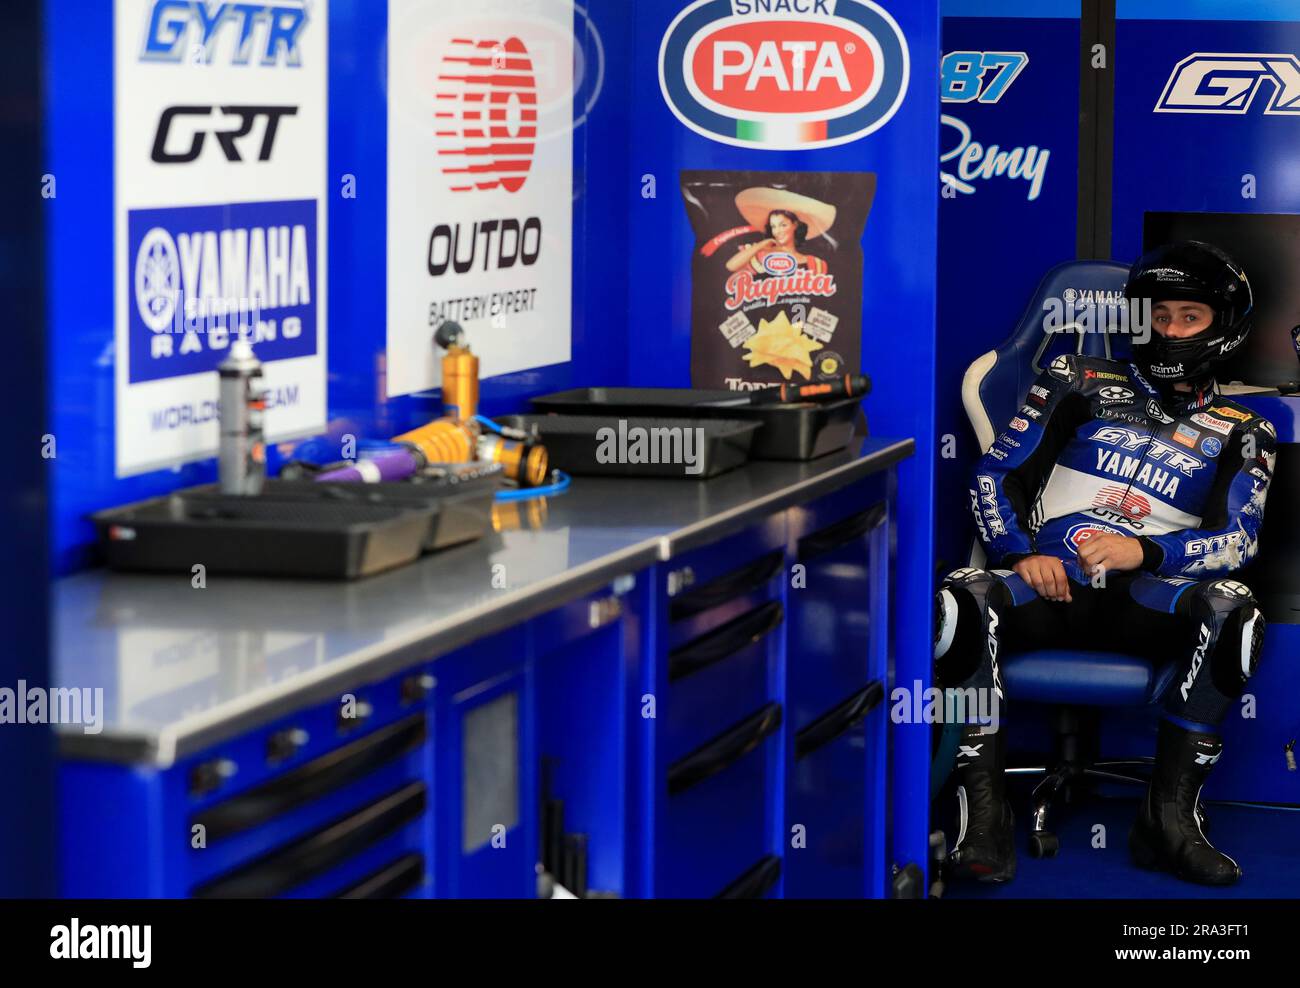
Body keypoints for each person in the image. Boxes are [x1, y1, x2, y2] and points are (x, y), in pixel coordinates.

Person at [936, 241, 1276, 887]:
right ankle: (981, 821)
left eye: (1189, 317)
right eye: (1159, 315)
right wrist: (1021, 552)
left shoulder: (1242, 429)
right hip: (1050, 585)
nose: (1170, 331)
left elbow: (1239, 539)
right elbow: (993, 477)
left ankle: (1168, 823)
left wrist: (1146, 550)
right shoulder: (1078, 377)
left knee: (1236, 611)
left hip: (1142, 598)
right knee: (960, 598)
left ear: (1223, 328)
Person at [726, 208, 830, 275]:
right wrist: (762, 244)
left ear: (795, 225)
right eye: (773, 227)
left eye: (783, 225)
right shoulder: (761, 254)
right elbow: (731, 266)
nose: (777, 231)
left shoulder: (814, 263)